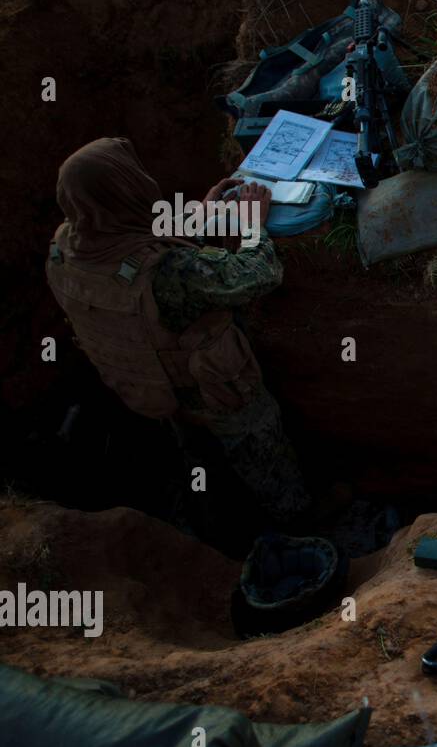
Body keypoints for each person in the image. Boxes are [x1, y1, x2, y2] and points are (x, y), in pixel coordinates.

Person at [45, 137, 311, 523]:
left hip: (151, 391)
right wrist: (253, 227)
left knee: (200, 460)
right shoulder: (169, 275)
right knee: (264, 459)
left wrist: (193, 221)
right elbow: (257, 275)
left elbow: (131, 248)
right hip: (218, 392)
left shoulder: (63, 248)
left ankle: (213, 514)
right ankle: (295, 524)